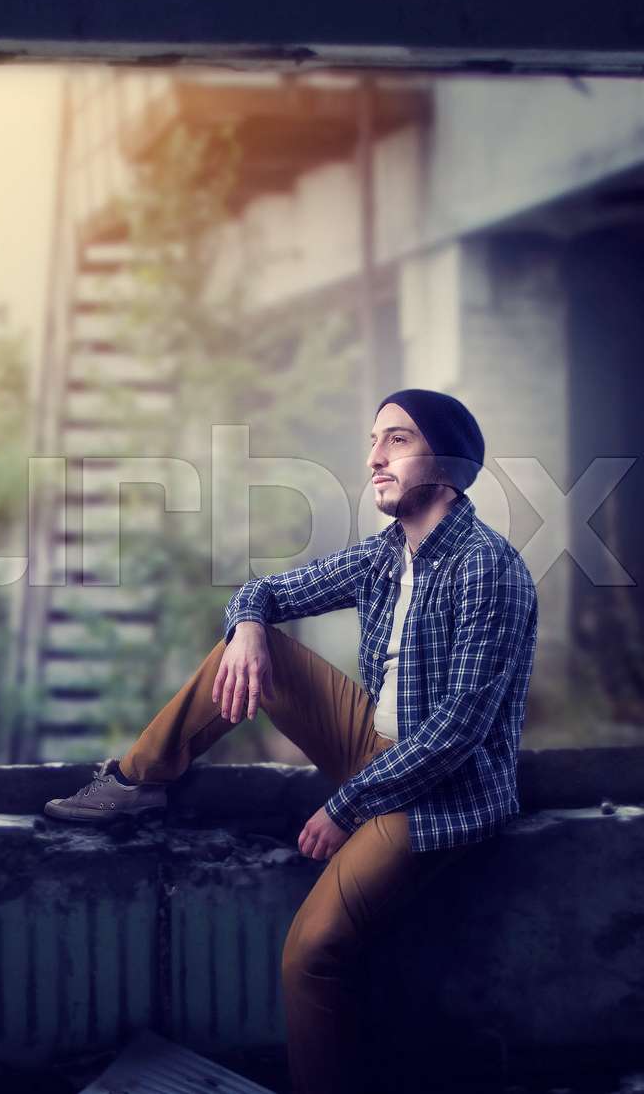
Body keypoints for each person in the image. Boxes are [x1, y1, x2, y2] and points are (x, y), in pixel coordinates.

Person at [43, 388, 540, 1094]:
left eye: (396, 440)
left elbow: (459, 729)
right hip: (373, 745)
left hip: (438, 790)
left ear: (452, 463)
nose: (373, 458)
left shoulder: (486, 566)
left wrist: (348, 805)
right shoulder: (385, 554)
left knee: (310, 952)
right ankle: (135, 781)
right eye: (373, 440)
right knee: (250, 649)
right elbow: (264, 591)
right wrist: (248, 627)